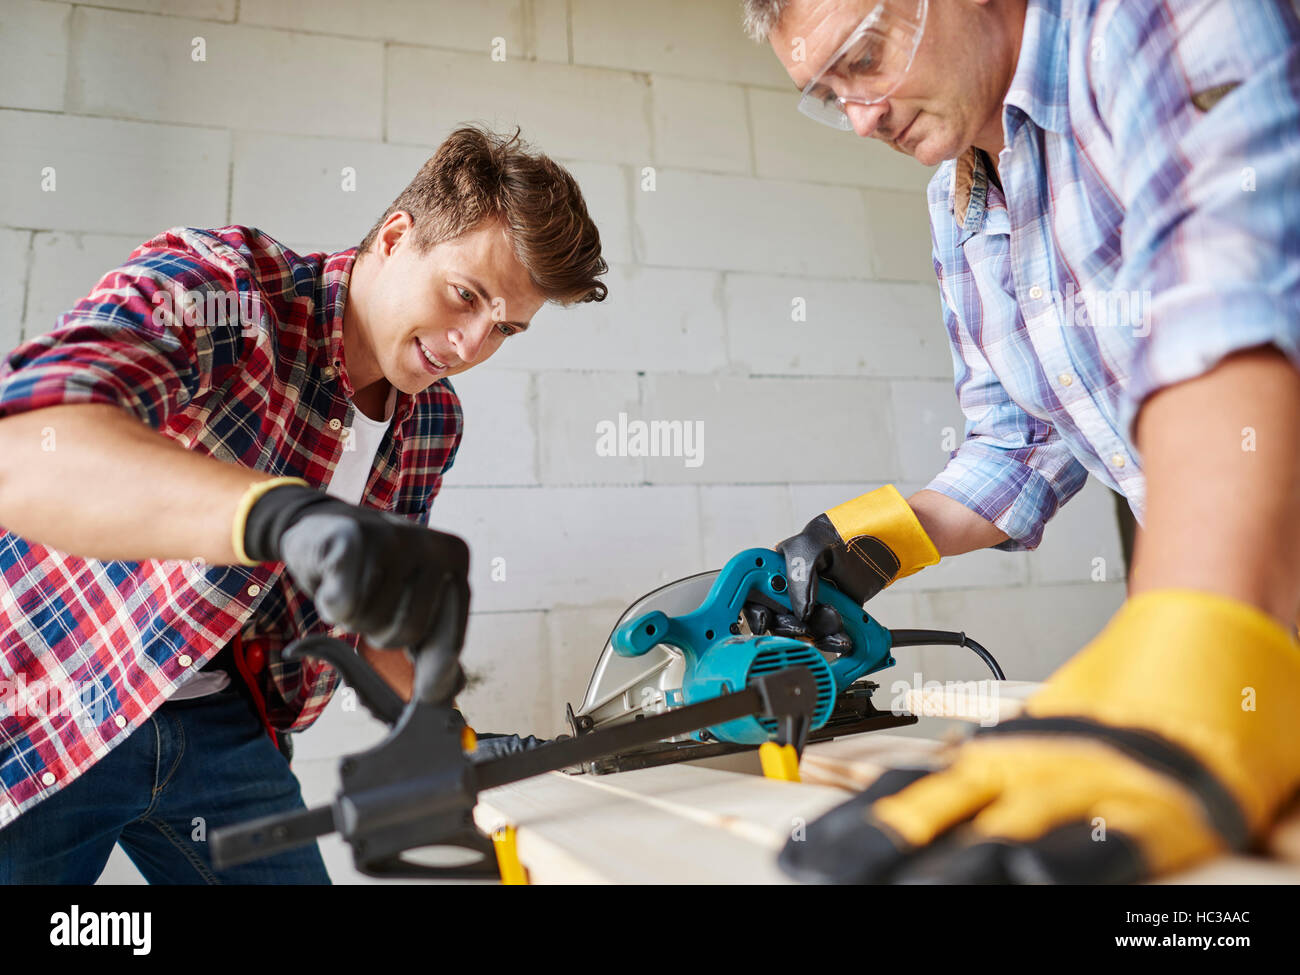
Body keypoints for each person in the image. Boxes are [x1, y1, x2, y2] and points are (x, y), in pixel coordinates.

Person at [739, 0, 1300, 883]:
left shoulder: (1144, 23)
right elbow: (1020, 442)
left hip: (1231, 610)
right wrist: (868, 543)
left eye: (866, 57)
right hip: (1249, 626)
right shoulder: (958, 203)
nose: (861, 116)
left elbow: (1229, 315)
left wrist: (1193, 649)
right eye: (827, 93)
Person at [0, 125, 607, 884]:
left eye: (505, 328)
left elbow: (365, 614)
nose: (469, 344)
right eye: (465, 295)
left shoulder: (429, 421)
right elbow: (24, 448)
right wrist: (283, 516)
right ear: (395, 236)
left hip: (221, 727)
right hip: (50, 689)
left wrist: (448, 736)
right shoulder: (229, 289)